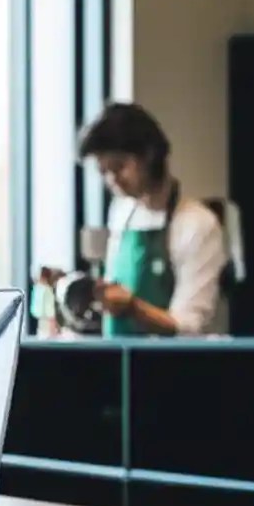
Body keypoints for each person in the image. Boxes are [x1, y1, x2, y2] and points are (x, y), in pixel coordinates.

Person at [77, 102, 229, 337]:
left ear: (149, 155)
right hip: (116, 360)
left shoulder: (198, 224)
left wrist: (133, 308)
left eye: (119, 167)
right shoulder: (121, 213)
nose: (112, 180)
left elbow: (189, 327)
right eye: (104, 172)